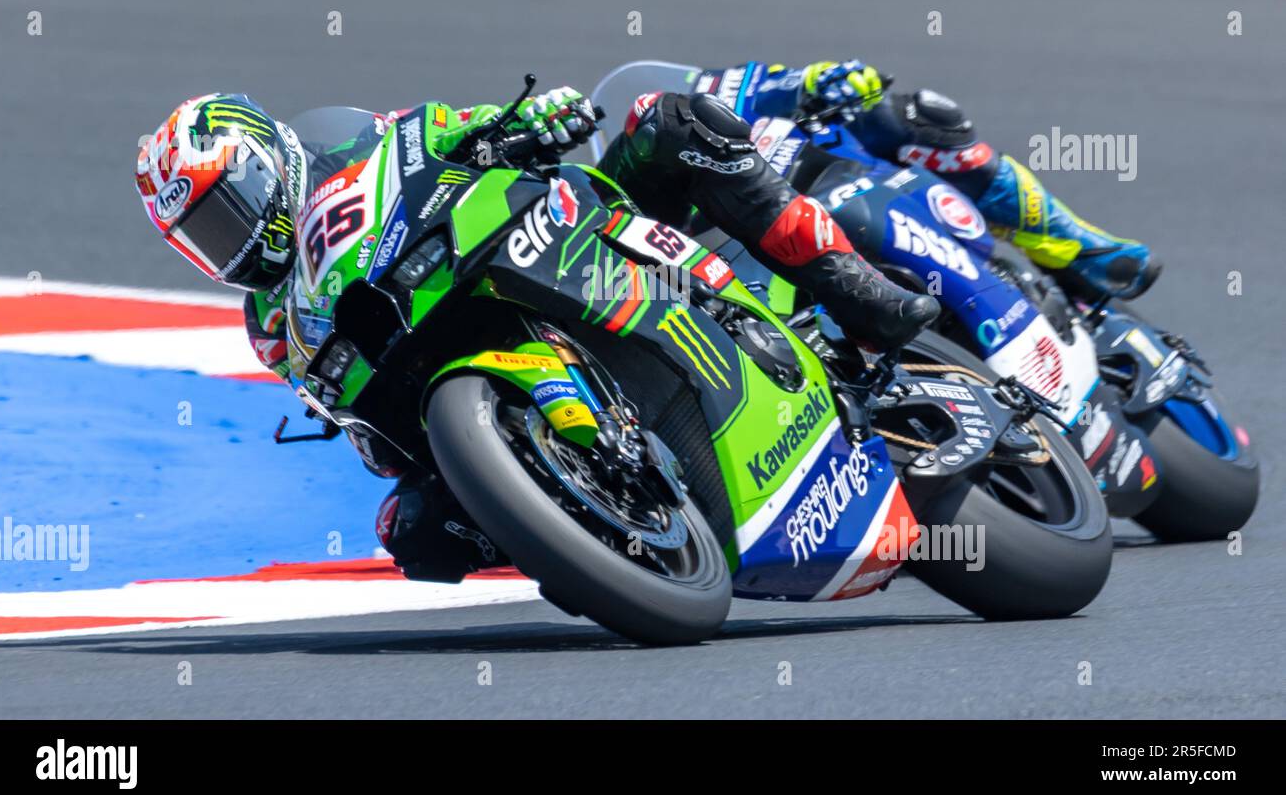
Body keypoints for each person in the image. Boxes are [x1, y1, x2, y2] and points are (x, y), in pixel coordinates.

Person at [134, 83, 937, 581]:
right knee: (413, 536)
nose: (229, 242)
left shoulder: (344, 140)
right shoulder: (272, 326)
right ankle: (604, 526)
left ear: (262, 161)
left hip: (566, 240)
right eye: (202, 236)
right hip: (453, 356)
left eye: (225, 208)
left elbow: (446, 129)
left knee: (672, 120)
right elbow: (374, 439)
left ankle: (859, 295)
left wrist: (529, 120)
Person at [682, 59, 1158, 300]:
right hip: (759, 252)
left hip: (826, 178)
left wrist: (813, 80)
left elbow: (739, 86)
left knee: (921, 116)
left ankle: (1077, 248)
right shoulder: (614, 206)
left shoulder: (659, 114)